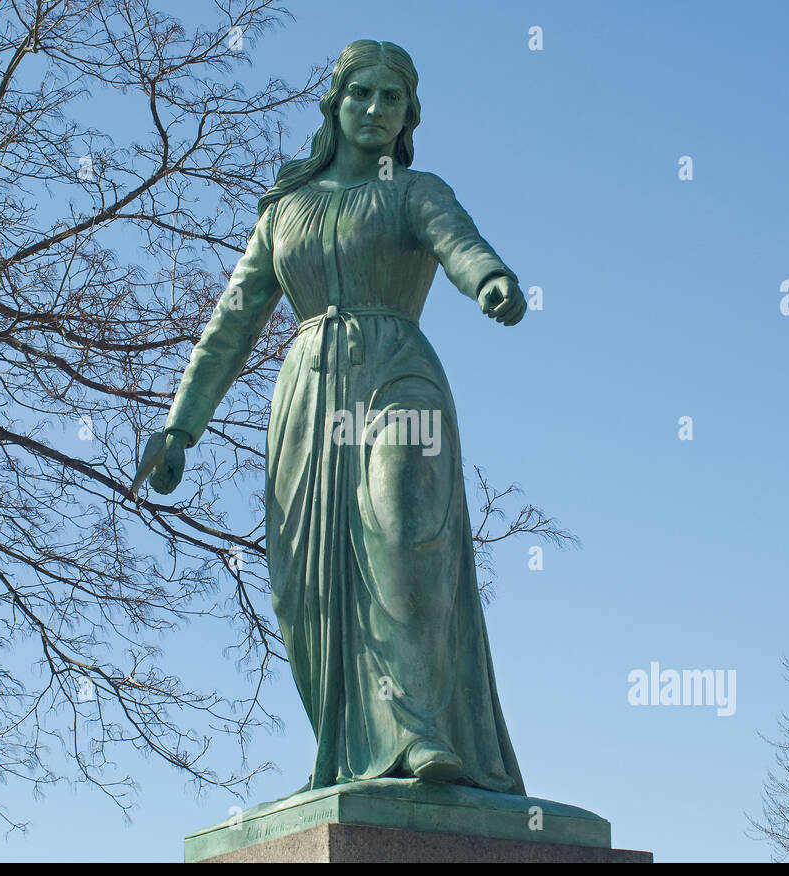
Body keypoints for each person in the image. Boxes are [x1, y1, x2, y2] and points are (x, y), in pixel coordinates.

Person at [134, 39, 529, 795]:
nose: (377, 110)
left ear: (410, 114)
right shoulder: (286, 209)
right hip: (309, 394)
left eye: (393, 98)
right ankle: (354, 747)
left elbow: (459, 242)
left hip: (400, 372)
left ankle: (419, 730)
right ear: (335, 105)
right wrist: (183, 426)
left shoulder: (414, 191)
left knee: (404, 526)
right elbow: (234, 319)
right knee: (305, 586)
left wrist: (490, 280)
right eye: (362, 95)